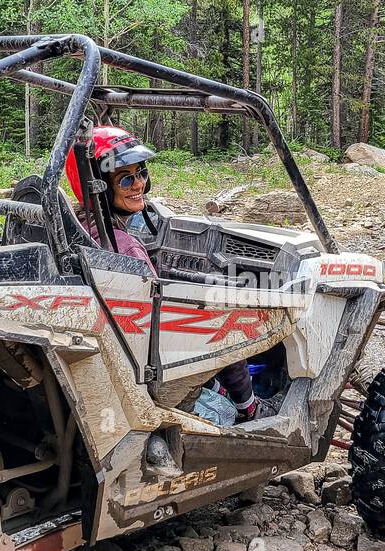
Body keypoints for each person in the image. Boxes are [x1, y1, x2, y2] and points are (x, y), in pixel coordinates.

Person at [64, 125, 276, 422]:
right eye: (125, 179)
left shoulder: (75, 227)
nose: (138, 184)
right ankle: (249, 408)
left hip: (119, 354)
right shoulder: (124, 249)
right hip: (153, 371)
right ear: (98, 186)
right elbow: (166, 324)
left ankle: (218, 389)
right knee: (226, 320)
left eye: (141, 173)